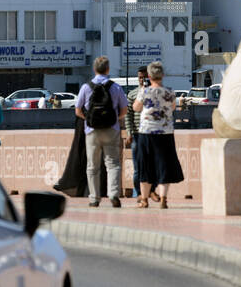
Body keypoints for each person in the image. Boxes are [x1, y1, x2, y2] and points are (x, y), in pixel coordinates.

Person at [127, 61, 184, 208]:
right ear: (162, 75)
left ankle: (144, 199)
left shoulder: (144, 92)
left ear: (149, 76)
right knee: (164, 165)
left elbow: (136, 107)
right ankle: (164, 198)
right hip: (165, 133)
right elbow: (172, 108)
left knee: (145, 166)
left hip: (147, 133)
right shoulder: (170, 92)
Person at [76, 56, 128, 208]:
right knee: (113, 164)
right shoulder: (115, 87)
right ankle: (113, 194)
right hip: (111, 129)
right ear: (108, 69)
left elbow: (78, 110)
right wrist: (114, 119)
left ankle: (94, 198)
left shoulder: (86, 87)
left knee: (92, 166)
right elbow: (124, 109)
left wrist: (89, 120)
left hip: (91, 131)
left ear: (94, 69)